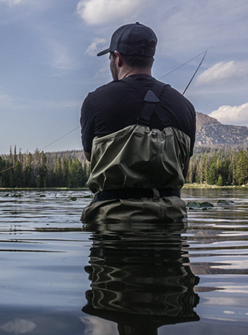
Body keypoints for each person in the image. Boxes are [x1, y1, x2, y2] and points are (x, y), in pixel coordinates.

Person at [80, 22, 196, 223]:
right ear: (151, 59)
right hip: (170, 226)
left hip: (113, 227)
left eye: (110, 58)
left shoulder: (95, 100)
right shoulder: (185, 106)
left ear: (118, 58)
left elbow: (91, 157)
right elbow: (183, 169)